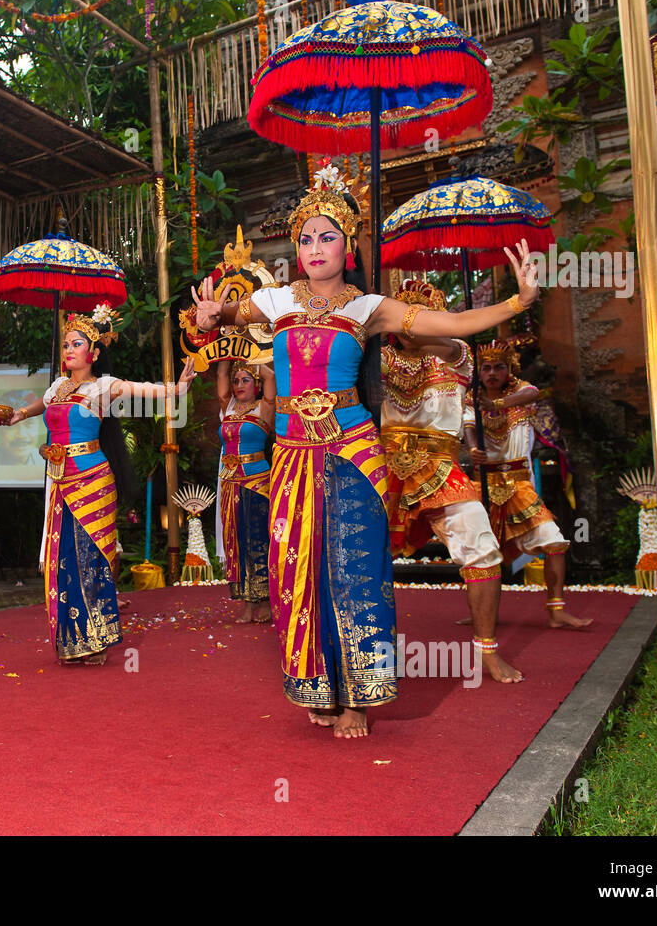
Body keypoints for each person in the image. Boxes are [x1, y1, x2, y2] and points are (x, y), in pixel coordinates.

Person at [192, 164, 542, 739]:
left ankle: (357, 699)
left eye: (327, 236)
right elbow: (227, 316)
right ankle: (318, 684)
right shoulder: (276, 301)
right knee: (297, 571)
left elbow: (452, 321)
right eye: (305, 237)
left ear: (348, 245)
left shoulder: (368, 307)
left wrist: (515, 304)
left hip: (353, 451)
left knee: (355, 568)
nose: (314, 247)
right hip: (292, 455)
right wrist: (212, 316)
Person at [0, 305, 195, 666]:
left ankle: (97, 637)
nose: (69, 350)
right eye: (66, 345)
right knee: (63, 561)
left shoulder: (103, 387)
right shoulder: (58, 387)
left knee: (90, 557)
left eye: (77, 344)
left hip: (92, 479)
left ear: (95, 352)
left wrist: (178, 388)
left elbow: (144, 390)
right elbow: (38, 407)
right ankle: (72, 639)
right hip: (59, 479)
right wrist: (16, 416)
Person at [379, 279, 522, 684]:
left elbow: (450, 342)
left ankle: (488, 651)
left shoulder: (456, 355)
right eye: (404, 315)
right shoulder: (378, 357)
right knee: (357, 557)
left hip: (441, 466)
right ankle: (359, 654)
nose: (411, 325)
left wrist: (427, 327)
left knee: (483, 550)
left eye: (421, 316)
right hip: (381, 464)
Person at [463, 339, 591, 629]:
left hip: (519, 485)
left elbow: (532, 392)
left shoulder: (521, 392)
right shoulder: (470, 399)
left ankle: (556, 611)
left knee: (555, 542)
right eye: (486, 368)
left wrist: (495, 404)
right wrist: (473, 451)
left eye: (499, 367)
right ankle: (480, 613)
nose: (492, 373)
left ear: (510, 370)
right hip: (484, 485)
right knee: (480, 553)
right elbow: (469, 427)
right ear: (478, 373)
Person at [215, 358, 275, 623]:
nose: (239, 385)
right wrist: (226, 351)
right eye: (236, 380)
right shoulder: (228, 408)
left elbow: (272, 379)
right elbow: (220, 378)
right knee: (236, 543)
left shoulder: (264, 407)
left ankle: (265, 601)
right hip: (230, 483)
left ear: (257, 385)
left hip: (257, 481)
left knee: (259, 541)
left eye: (246, 380)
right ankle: (247, 603)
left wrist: (255, 352)